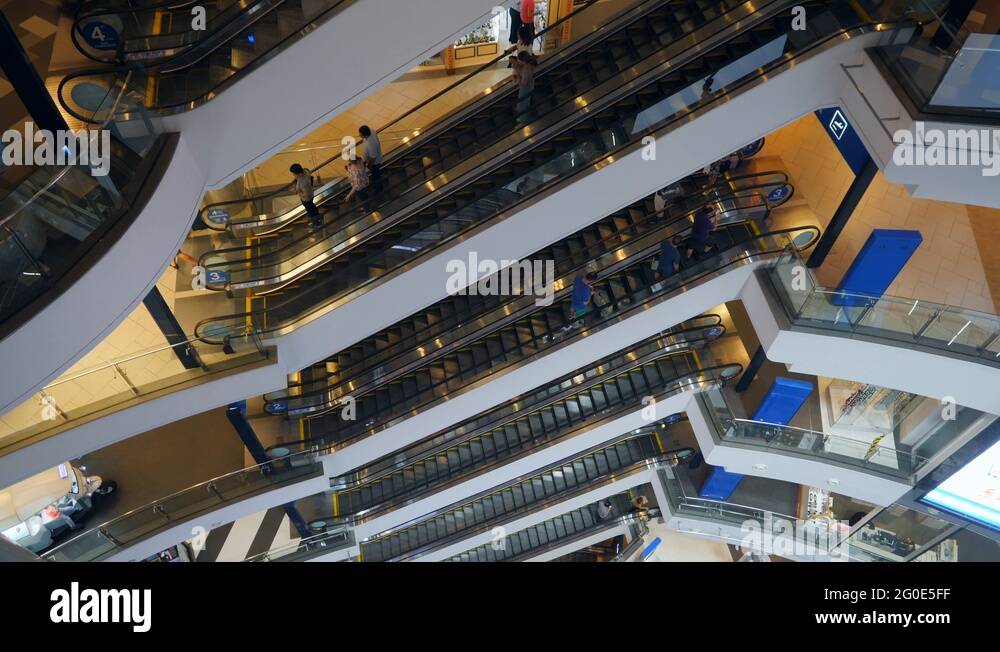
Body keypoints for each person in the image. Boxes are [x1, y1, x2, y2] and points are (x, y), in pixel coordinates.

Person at [290, 163, 322, 228]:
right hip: (311, 194)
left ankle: (316, 223)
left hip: (306, 199)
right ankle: (316, 220)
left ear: (298, 174)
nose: (293, 175)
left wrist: (296, 191)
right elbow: (307, 171)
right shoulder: (305, 171)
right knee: (312, 208)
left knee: (311, 210)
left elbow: (306, 196)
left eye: (293, 174)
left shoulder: (303, 183)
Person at [511, 50, 537, 122]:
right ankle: (522, 116)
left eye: (519, 59)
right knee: (523, 102)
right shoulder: (527, 66)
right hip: (528, 87)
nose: (518, 60)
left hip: (526, 88)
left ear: (523, 60)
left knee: (523, 103)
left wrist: (518, 77)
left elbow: (524, 82)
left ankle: (523, 118)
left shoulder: (526, 69)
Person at [359, 125, 383, 194]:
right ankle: (377, 186)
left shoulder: (371, 143)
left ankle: (379, 189)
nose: (359, 135)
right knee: (375, 175)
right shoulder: (370, 130)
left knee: (376, 176)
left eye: (360, 134)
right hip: (370, 158)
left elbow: (373, 158)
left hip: (375, 163)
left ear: (365, 135)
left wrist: (369, 166)